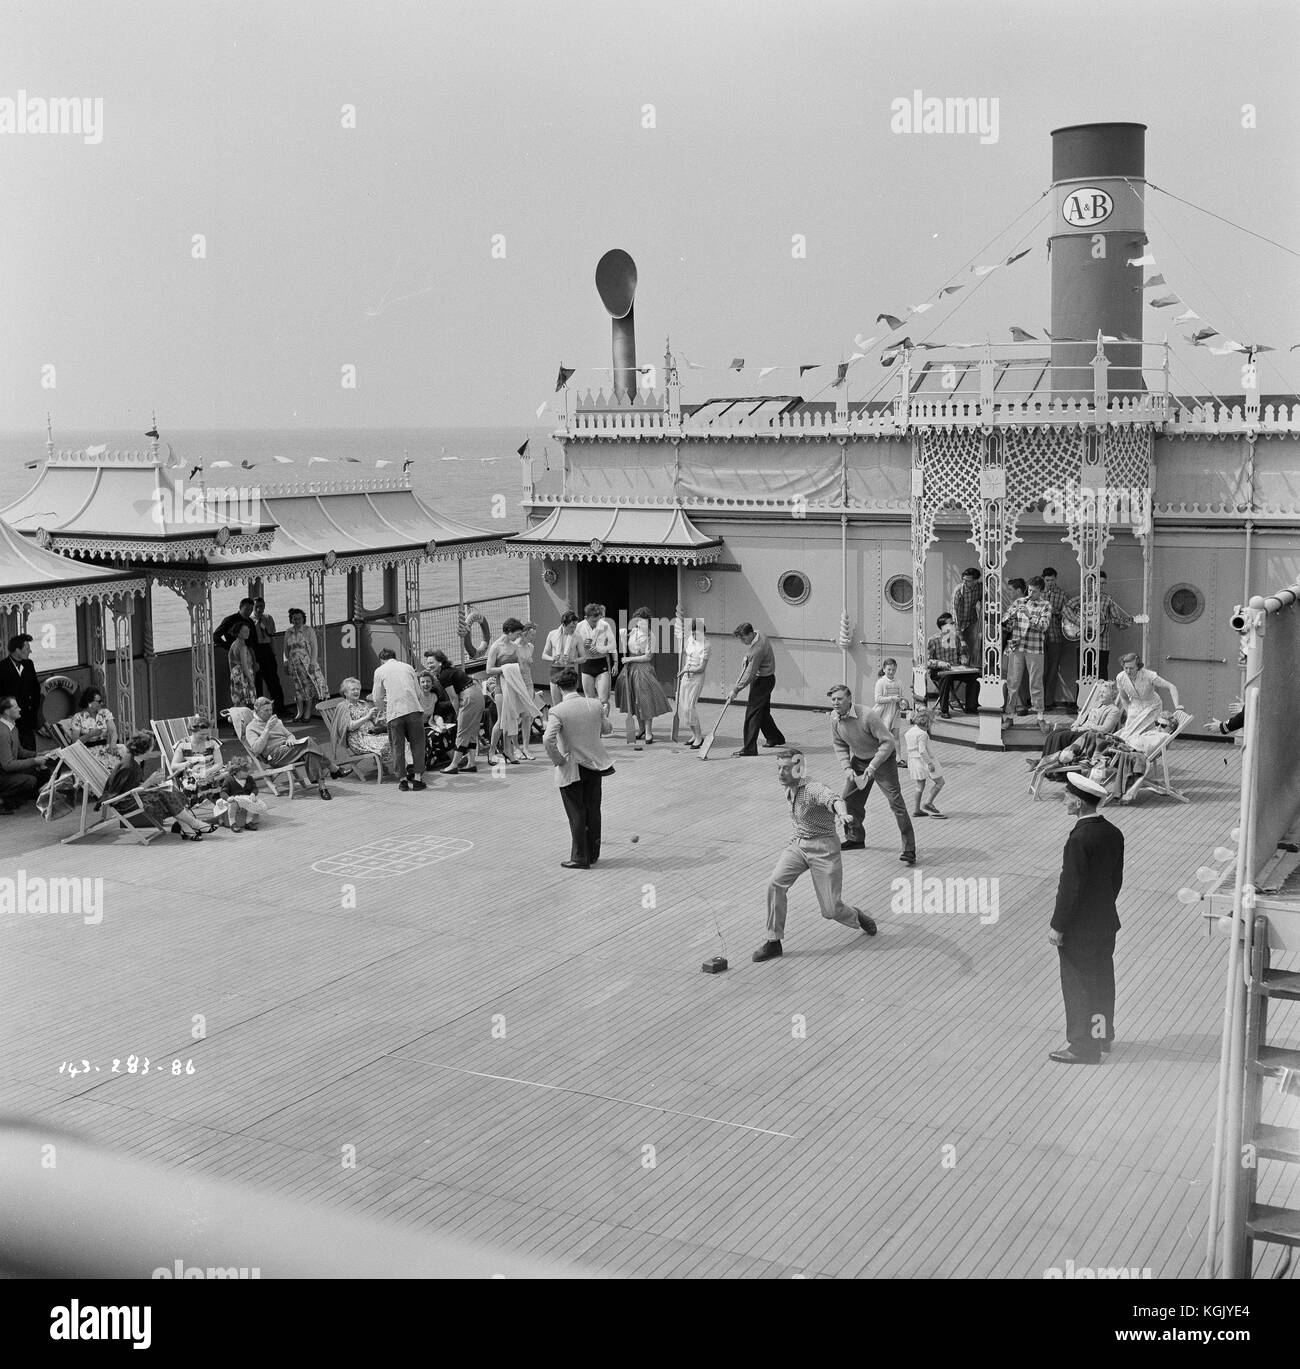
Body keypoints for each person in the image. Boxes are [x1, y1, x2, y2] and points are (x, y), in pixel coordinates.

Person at [751, 747, 878, 963]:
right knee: (775, 884)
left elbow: (833, 799)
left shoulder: (812, 788)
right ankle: (774, 941)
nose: (781, 773)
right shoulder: (789, 788)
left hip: (824, 849)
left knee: (830, 910)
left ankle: (856, 916)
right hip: (799, 846)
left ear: (799, 769)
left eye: (786, 769)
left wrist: (843, 813)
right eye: (779, 768)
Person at [1048, 771, 1124, 1065]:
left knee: (1079, 984)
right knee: (1102, 980)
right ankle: (1102, 1035)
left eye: (1067, 796)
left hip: (1080, 929)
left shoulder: (1079, 838)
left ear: (1079, 803)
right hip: (1105, 922)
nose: (1064, 800)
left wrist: (1058, 926)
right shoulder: (1112, 832)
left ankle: (1083, 1046)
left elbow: (1070, 886)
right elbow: (1114, 880)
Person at [828, 684, 916, 865]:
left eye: (839, 698)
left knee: (895, 802)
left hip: (882, 760)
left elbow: (888, 742)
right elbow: (839, 744)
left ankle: (909, 849)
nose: (836, 703)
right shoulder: (834, 717)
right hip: (859, 761)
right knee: (849, 801)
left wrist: (874, 766)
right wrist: (847, 768)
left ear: (849, 699)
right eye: (833, 699)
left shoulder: (867, 715)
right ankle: (855, 837)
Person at [543, 666, 615, 870]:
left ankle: (579, 858)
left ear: (558, 687)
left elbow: (547, 740)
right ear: (576, 684)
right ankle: (593, 854)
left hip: (572, 767)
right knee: (593, 810)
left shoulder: (557, 711)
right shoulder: (594, 704)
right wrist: (604, 715)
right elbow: (608, 729)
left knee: (576, 813)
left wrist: (558, 760)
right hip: (595, 765)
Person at [100, 731, 215, 840]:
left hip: (135, 795)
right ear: (143, 750)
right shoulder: (128, 766)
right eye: (151, 748)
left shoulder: (135, 760)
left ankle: (186, 828)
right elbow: (128, 792)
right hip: (126, 802)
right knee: (165, 793)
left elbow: (134, 785)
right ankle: (195, 823)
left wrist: (155, 782)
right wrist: (149, 782)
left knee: (169, 788)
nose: (152, 751)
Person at [244, 696, 340, 799]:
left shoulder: (276, 721)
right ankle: (332, 768)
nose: (269, 712)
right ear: (257, 711)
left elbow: (290, 735)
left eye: (271, 709)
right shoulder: (251, 728)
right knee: (308, 741)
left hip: (289, 750)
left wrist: (291, 739)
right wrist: (267, 728)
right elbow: (257, 749)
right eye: (266, 710)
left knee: (310, 752)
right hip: (274, 756)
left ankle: (322, 787)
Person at [485, 617, 540, 764]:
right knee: (502, 720)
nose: (518, 637)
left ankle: (508, 750)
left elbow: (521, 667)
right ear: (509, 632)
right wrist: (505, 669)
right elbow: (489, 669)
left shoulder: (514, 647)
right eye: (516, 633)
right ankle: (491, 751)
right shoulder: (496, 647)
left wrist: (523, 665)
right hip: (500, 686)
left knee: (511, 719)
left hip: (514, 686)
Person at [1032, 680, 1122, 768]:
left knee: (1061, 736)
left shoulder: (1114, 710)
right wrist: (1076, 725)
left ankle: (1052, 766)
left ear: (1112, 695)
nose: (1101, 694)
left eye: (1104, 692)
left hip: (1089, 736)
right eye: (1100, 692)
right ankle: (1043, 762)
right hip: (1081, 730)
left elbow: (1105, 729)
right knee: (1054, 734)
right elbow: (1082, 717)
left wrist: (1087, 727)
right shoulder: (1097, 704)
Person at [372, 648, 427, 791]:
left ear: (381, 660)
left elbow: (376, 697)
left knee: (397, 746)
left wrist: (385, 708)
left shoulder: (380, 671)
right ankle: (418, 779)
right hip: (413, 709)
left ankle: (402, 780)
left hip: (395, 713)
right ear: (395, 657)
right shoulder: (408, 667)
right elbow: (418, 692)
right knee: (418, 745)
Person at [728, 622, 786, 757]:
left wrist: (735, 690)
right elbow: (751, 655)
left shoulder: (757, 650)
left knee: (752, 715)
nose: (742, 641)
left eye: (743, 638)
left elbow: (749, 674)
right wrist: (747, 656)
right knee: (763, 712)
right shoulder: (759, 633)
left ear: (750, 634)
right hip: (769, 678)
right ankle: (775, 737)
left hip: (762, 682)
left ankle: (749, 748)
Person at [1067, 570, 1137, 681]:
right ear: (1092, 583)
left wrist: (1127, 623)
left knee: (1101, 676)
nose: (1101, 586)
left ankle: (1100, 698)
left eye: (1104, 583)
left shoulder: (1108, 599)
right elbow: (1066, 608)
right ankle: (1082, 699)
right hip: (1084, 643)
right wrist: (1078, 621)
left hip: (1102, 644)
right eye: (1099, 583)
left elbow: (1117, 622)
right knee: (1083, 676)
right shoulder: (1084, 597)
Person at [616, 606, 671, 744]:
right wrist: (622, 637)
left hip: (643, 669)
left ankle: (648, 732)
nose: (639, 623)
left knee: (644, 700)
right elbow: (625, 644)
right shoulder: (633, 632)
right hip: (630, 669)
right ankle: (640, 730)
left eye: (642, 620)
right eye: (638, 620)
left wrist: (629, 659)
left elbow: (648, 656)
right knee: (633, 700)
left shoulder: (651, 636)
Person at [1002, 576, 1052, 724]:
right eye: (1029, 590)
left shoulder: (1045, 605)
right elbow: (1005, 622)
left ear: (1041, 591)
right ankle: (1010, 716)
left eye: (1035, 591)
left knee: (1035, 683)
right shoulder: (1019, 602)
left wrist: (1029, 615)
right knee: (1013, 681)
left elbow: (1044, 626)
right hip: (1017, 647)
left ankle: (1040, 717)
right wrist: (1011, 615)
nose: (1031, 594)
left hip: (1035, 648)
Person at [430, 649, 487, 775]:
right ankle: (471, 763)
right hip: (477, 693)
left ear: (440, 662)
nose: (429, 665)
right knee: (471, 730)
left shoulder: (443, 675)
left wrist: (458, 714)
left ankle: (454, 765)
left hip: (468, 696)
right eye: (427, 663)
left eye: (431, 662)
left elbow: (453, 697)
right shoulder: (450, 670)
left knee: (461, 732)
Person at [0, 693, 57, 812]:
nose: (20, 709)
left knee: (45, 771)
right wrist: (34, 761)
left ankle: (28, 796)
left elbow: (19, 751)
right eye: (16, 707)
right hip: (3, 775)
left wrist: (37, 755)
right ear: (7, 712)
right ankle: (4, 800)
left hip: (8, 772)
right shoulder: (3, 733)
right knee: (30, 780)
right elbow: (8, 765)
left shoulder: (12, 727)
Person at [1114, 653, 1180, 744]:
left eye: (1131, 668)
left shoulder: (1149, 675)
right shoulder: (1121, 677)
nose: (1128, 671)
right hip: (1135, 707)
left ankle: (1144, 756)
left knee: (1146, 737)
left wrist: (1177, 706)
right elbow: (1123, 697)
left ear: (1138, 667)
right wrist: (1129, 711)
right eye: (1126, 668)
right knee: (1127, 734)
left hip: (1152, 707)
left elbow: (1171, 687)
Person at [283, 608, 327, 724]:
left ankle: (307, 712)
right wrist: (286, 662)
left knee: (307, 687)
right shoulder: (288, 632)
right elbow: (286, 650)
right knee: (298, 689)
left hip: (306, 664)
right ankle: (299, 712)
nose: (297, 620)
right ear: (291, 620)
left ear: (303, 619)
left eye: (299, 618)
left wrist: (312, 664)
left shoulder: (308, 631)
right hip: (294, 664)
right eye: (294, 618)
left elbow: (314, 648)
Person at [337, 676, 392, 767]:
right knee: (393, 740)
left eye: (358, 689)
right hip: (359, 740)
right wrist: (367, 717)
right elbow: (350, 726)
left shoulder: (362, 703)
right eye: (353, 689)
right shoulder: (344, 706)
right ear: (345, 692)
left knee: (398, 736)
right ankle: (406, 769)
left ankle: (407, 768)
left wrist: (379, 717)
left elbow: (374, 721)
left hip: (372, 734)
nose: (356, 691)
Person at [926, 613, 973, 719]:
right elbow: (927, 661)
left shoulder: (955, 638)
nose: (953, 625)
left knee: (974, 677)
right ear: (943, 626)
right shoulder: (933, 640)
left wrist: (963, 658)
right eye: (951, 623)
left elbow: (961, 654)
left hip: (955, 670)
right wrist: (939, 663)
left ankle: (971, 707)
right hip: (939, 671)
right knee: (946, 677)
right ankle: (944, 710)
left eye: (953, 623)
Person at [170, 716, 226, 805]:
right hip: (192, 774)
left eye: (207, 733)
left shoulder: (212, 742)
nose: (206, 736)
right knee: (191, 784)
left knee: (227, 776)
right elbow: (173, 766)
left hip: (211, 771)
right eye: (202, 734)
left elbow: (219, 763)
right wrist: (186, 764)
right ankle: (196, 806)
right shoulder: (183, 744)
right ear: (193, 731)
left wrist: (207, 772)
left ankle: (223, 806)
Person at [575, 603, 618, 717]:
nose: (596, 623)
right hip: (587, 664)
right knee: (589, 699)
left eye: (598, 620)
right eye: (593, 621)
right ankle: (594, 725)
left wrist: (615, 663)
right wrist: (582, 644)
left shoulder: (604, 625)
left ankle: (604, 724)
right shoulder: (579, 626)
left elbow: (613, 645)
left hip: (601, 663)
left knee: (603, 699)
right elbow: (573, 646)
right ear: (586, 618)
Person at [0, 634, 42, 750]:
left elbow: (35, 689)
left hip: (28, 718)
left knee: (30, 747)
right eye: (27, 649)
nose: (30, 651)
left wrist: (34, 709)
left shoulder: (29, 664)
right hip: (11, 720)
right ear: (17, 650)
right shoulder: (2, 668)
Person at [1041, 567, 1073, 711]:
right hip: (1038, 637)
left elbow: (1068, 614)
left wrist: (1055, 612)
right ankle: (1038, 701)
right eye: (1047, 580)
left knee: (1053, 670)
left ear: (1056, 579)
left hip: (1055, 636)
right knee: (1040, 670)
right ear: (1043, 579)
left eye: (1053, 580)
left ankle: (1048, 701)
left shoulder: (1061, 594)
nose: (1050, 583)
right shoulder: (1038, 593)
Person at [905, 707, 945, 819]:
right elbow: (922, 750)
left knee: (919, 785)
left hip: (913, 760)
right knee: (940, 782)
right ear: (927, 723)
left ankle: (917, 809)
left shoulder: (909, 732)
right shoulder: (923, 734)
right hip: (924, 760)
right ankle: (928, 802)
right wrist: (929, 763)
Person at [677, 618, 710, 748]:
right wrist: (684, 670)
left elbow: (701, 668)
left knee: (690, 707)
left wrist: (687, 670)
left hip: (697, 678)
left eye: (697, 633)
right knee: (684, 708)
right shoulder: (690, 639)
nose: (695, 635)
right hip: (686, 676)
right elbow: (687, 657)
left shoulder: (706, 645)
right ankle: (694, 734)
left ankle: (699, 736)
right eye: (693, 632)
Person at [214, 756, 268, 832]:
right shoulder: (229, 779)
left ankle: (248, 821)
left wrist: (253, 794)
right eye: (245, 771)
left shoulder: (249, 778)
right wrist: (228, 798)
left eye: (247, 770)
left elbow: (254, 788)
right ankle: (232, 823)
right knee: (233, 804)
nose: (248, 773)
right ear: (236, 771)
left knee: (253, 802)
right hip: (234, 799)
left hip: (245, 799)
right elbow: (223, 792)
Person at [250, 598, 286, 715]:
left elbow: (272, 636)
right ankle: (260, 711)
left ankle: (280, 708)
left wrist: (273, 653)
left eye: (262, 606)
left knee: (274, 682)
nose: (259, 609)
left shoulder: (268, 618)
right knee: (257, 684)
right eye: (257, 607)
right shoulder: (249, 620)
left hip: (267, 650)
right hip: (256, 651)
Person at [542, 610, 582, 706]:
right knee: (557, 705)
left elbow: (584, 657)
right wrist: (553, 658)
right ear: (564, 624)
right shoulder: (552, 634)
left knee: (569, 704)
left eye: (575, 626)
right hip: (555, 671)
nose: (574, 629)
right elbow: (544, 655)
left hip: (569, 671)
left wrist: (572, 660)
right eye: (572, 626)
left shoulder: (577, 636)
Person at [873, 657, 909, 763]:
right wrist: (892, 698)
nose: (891, 672)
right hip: (883, 712)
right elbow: (877, 699)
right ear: (884, 669)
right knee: (883, 736)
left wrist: (902, 703)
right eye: (889, 669)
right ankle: (879, 757)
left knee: (896, 735)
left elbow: (902, 697)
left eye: (893, 670)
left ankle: (898, 759)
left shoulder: (899, 682)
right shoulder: (880, 682)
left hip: (895, 711)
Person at [952, 568, 983, 681]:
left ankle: (973, 678)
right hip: (957, 623)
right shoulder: (959, 590)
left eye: (968, 581)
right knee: (956, 650)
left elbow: (985, 601)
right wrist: (960, 637)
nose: (965, 582)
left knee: (973, 648)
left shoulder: (980, 587)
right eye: (963, 580)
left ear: (975, 580)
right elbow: (955, 615)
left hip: (972, 621)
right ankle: (952, 689)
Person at [69, 686, 120, 753]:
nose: (101, 703)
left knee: (125, 751)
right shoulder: (78, 717)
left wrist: (113, 744)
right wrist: (90, 734)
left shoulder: (105, 713)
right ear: (89, 703)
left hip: (106, 747)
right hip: (87, 751)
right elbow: (75, 742)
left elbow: (113, 731)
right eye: (99, 701)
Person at [228, 621, 258, 709]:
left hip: (235, 673)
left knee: (238, 699)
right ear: (238, 633)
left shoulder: (234, 644)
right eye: (244, 631)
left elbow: (230, 661)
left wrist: (233, 674)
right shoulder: (242, 646)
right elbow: (245, 665)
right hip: (243, 674)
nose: (247, 633)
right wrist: (251, 680)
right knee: (246, 700)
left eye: (248, 630)